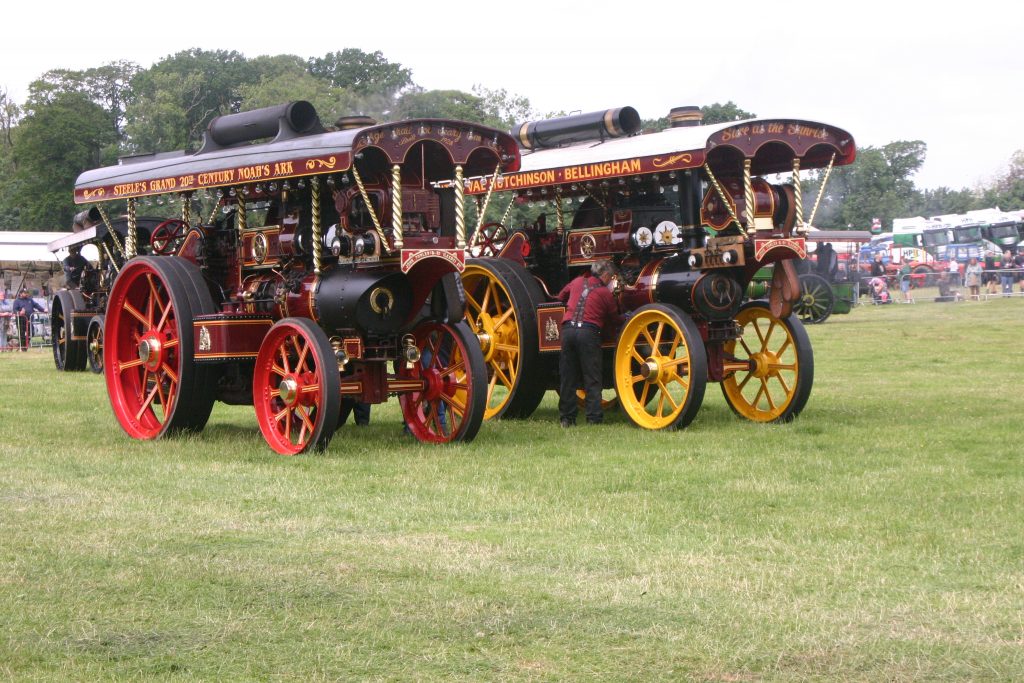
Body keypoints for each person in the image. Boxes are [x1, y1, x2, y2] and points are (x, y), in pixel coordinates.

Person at [556, 259, 621, 427]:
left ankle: (566, 419)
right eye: (611, 277)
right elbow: (614, 318)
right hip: (588, 333)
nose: (611, 280)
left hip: (568, 331)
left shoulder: (577, 282)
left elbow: (561, 296)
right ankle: (594, 418)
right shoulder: (605, 293)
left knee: (568, 377)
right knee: (592, 377)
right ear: (605, 275)